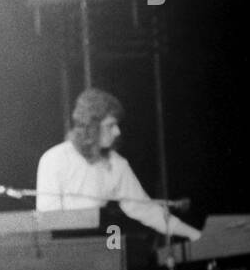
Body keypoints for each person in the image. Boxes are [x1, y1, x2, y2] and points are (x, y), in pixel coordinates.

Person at [36, 87, 201, 241]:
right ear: (91, 127)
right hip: (65, 249)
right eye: (110, 125)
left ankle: (116, 259)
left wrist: (196, 235)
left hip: (105, 241)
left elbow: (146, 210)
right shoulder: (54, 159)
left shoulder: (117, 164)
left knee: (116, 247)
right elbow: (48, 220)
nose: (117, 132)